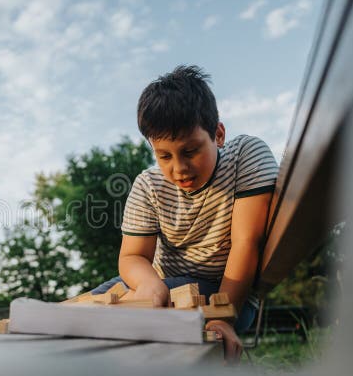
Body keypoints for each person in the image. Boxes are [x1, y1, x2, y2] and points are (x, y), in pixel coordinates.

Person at [92, 65, 279, 360]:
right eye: (164, 156)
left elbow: (247, 243)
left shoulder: (246, 155)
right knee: (87, 306)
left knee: (108, 318)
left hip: (228, 293)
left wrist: (223, 318)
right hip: (162, 283)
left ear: (218, 134)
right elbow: (132, 257)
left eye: (190, 151)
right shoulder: (148, 185)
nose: (179, 168)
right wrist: (149, 283)